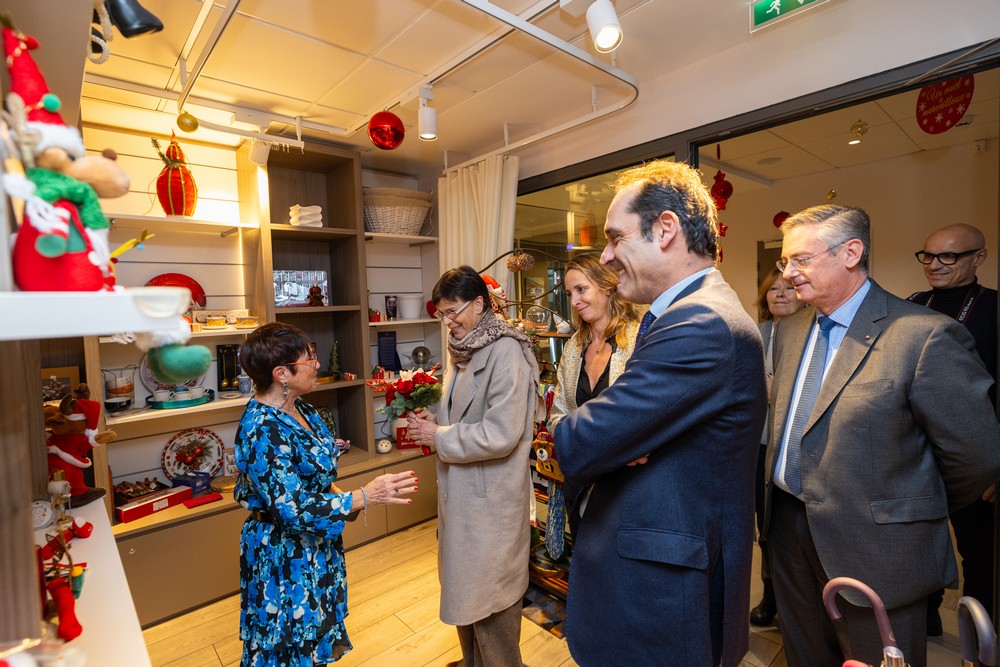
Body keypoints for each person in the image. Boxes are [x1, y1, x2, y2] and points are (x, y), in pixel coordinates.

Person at [551, 160, 768, 667]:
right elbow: (610, 431)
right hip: (653, 575)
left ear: (665, 229)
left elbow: (580, 441)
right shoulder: (682, 313)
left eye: (615, 238)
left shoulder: (702, 321)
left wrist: (581, 432)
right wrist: (617, 439)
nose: (606, 256)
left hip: (663, 595)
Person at [763, 205, 1000, 667]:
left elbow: (977, 455)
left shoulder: (923, 335)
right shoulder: (790, 330)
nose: (788, 273)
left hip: (875, 547)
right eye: (784, 262)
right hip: (788, 532)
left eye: (801, 259)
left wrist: (904, 504)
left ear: (851, 252)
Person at [234, 322, 418, 667]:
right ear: (281, 374)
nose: (317, 364)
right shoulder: (262, 430)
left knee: (315, 634)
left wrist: (343, 496)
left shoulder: (302, 408)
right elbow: (291, 509)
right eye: (308, 359)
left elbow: (316, 479)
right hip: (283, 556)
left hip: (315, 548)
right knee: (289, 642)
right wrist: (363, 496)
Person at [405, 266, 540, 667]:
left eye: (453, 312)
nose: (447, 322)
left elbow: (501, 433)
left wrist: (441, 438)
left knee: (492, 604)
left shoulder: (507, 353)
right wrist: (437, 425)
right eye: (441, 314)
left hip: (491, 503)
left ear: (479, 304)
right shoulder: (464, 349)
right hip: (465, 499)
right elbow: (467, 417)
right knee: (468, 600)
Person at [909, 223, 998, 635]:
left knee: (980, 555)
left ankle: (978, 639)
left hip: (975, 458)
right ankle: (922, 623)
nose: (935, 265)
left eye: (948, 256)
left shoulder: (993, 310)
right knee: (916, 545)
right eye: (928, 255)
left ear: (978, 257)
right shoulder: (911, 305)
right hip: (915, 454)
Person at [548, 252, 642, 534]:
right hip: (580, 482)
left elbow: (648, 414)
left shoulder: (640, 339)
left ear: (608, 285)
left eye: (581, 289)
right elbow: (558, 413)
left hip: (627, 483)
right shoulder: (575, 346)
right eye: (569, 292)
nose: (574, 301)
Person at [749, 267, 807, 627]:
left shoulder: (815, 332)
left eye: (788, 288)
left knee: (798, 531)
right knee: (766, 526)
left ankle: (799, 604)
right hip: (760, 445)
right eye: (773, 290)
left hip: (798, 446)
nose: (781, 294)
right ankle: (770, 596)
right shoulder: (757, 335)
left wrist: (775, 394)